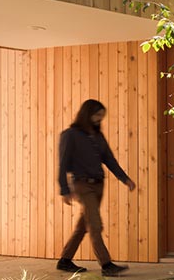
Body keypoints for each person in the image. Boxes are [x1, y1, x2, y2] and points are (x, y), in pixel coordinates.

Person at [56, 99, 136, 276]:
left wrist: (125, 179)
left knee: (83, 226)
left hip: (99, 185)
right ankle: (106, 265)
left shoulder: (97, 136)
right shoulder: (70, 134)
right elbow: (62, 164)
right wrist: (64, 189)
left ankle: (65, 260)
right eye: (97, 115)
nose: (100, 119)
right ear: (87, 113)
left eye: (102, 116)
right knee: (95, 224)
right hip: (81, 185)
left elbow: (109, 159)